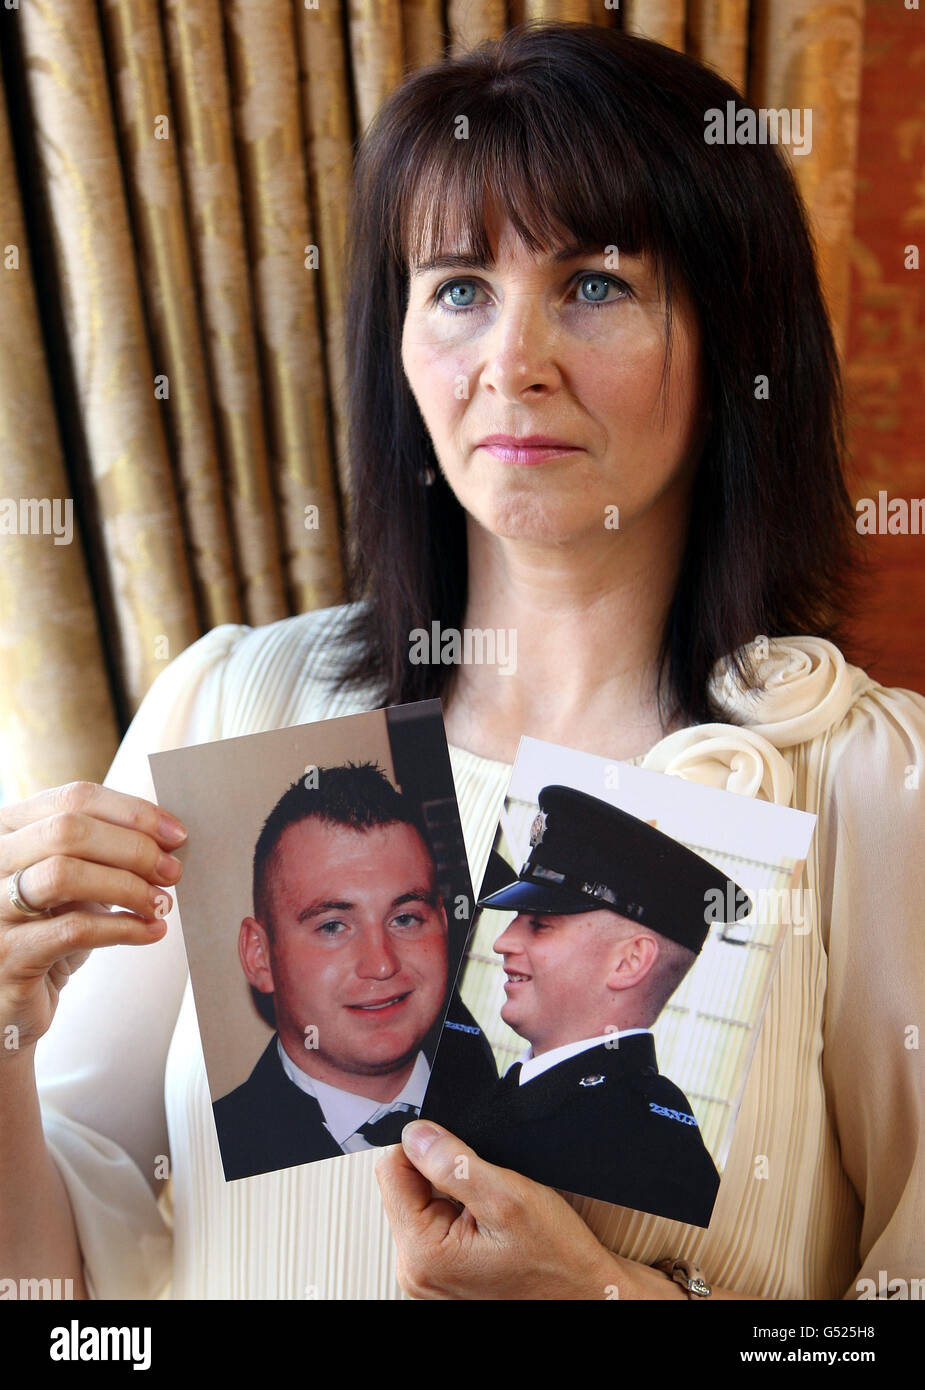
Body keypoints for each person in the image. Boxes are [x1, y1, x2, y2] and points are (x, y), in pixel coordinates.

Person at [1, 22, 923, 1301]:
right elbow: (62, 1296)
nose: (512, 363)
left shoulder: (860, 779)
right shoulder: (233, 703)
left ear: (733, 345)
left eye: (595, 284)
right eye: (457, 287)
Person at [450, 783, 752, 1225]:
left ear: (630, 962)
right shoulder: (536, 1093)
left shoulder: (645, 1143)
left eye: (539, 925)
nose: (501, 941)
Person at [212, 763, 497, 1180]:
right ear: (260, 956)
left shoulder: (509, 1099)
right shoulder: (221, 1151)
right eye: (332, 926)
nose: (382, 963)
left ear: (442, 921)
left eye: (405, 918)